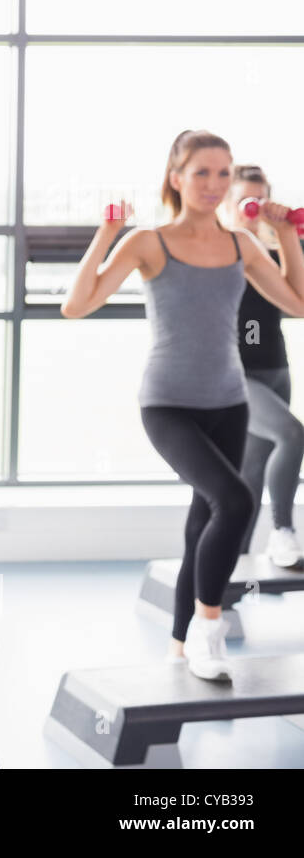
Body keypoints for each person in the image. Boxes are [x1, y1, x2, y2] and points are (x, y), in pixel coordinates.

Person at [61, 130, 304, 682]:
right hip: (168, 404)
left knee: (203, 522)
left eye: (223, 173)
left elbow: (298, 302)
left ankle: (178, 645)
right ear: (176, 177)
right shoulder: (149, 241)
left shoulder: (241, 246)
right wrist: (105, 235)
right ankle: (208, 631)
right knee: (237, 501)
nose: (215, 184)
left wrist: (287, 233)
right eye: (202, 173)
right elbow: (76, 306)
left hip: (229, 402)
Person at [226, 164, 304, 567]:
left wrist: (286, 231)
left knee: (251, 476)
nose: (250, 210)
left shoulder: (273, 254)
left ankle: (227, 585)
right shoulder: (223, 251)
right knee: (293, 434)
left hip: (276, 371)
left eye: (257, 201)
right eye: (244, 202)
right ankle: (283, 532)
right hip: (238, 376)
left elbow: (300, 300)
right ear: (228, 202)